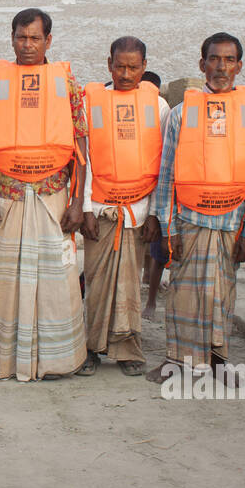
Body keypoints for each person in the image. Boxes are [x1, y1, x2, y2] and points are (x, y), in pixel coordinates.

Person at [0, 8, 89, 382]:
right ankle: (5, 359)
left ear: (49, 41)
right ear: (11, 38)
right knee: (4, 281)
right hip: (6, 197)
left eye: (35, 38)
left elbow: (81, 142)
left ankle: (57, 361)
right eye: (21, 37)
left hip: (53, 196)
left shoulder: (66, 82)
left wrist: (77, 201)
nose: (27, 45)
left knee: (57, 277)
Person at [149, 32, 245, 380]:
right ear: (202, 65)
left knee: (222, 294)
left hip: (231, 224)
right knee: (183, 292)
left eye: (229, 60)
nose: (221, 66)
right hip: (189, 221)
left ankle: (216, 359)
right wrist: (167, 227)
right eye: (214, 59)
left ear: (240, 66)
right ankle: (176, 360)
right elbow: (166, 173)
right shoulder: (182, 114)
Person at [79, 37, 169, 376]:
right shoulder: (91, 103)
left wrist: (157, 214)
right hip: (100, 209)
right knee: (98, 283)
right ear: (108, 64)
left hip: (139, 211)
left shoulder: (158, 106)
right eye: (120, 66)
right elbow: (83, 160)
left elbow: (164, 164)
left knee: (131, 284)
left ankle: (128, 349)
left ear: (144, 67)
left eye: (133, 67)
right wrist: (86, 208)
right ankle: (91, 348)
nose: (126, 73)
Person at [141, 71, 169, 322]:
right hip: (142, 194)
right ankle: (150, 298)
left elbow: (165, 159)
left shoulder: (161, 109)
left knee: (160, 250)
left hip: (159, 194)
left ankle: (150, 285)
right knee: (156, 252)